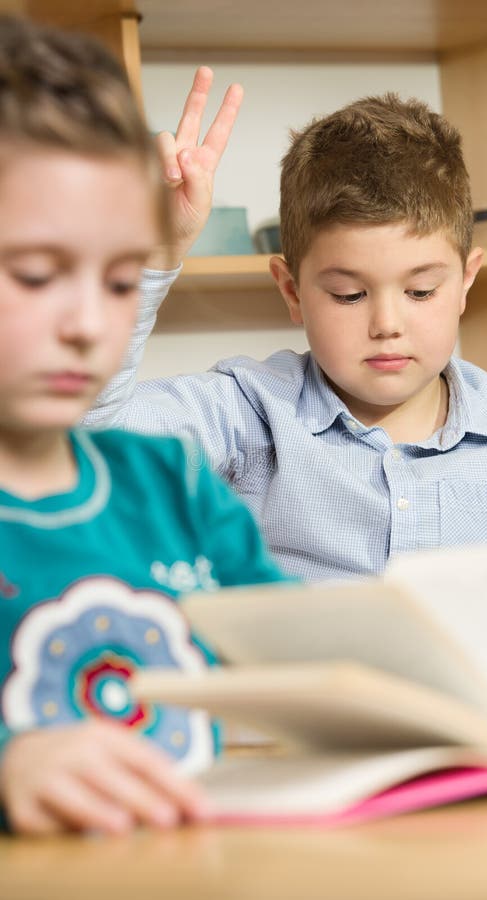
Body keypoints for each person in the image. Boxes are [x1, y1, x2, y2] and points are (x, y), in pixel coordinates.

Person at [85, 87, 487, 582]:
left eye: (421, 292)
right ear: (291, 290)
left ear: (465, 281)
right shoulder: (248, 414)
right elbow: (80, 445)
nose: (387, 325)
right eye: (349, 296)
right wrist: (149, 260)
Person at [0, 15, 284, 836]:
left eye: (122, 281)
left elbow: (303, 652)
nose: (91, 323)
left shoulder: (174, 485)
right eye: (38, 274)